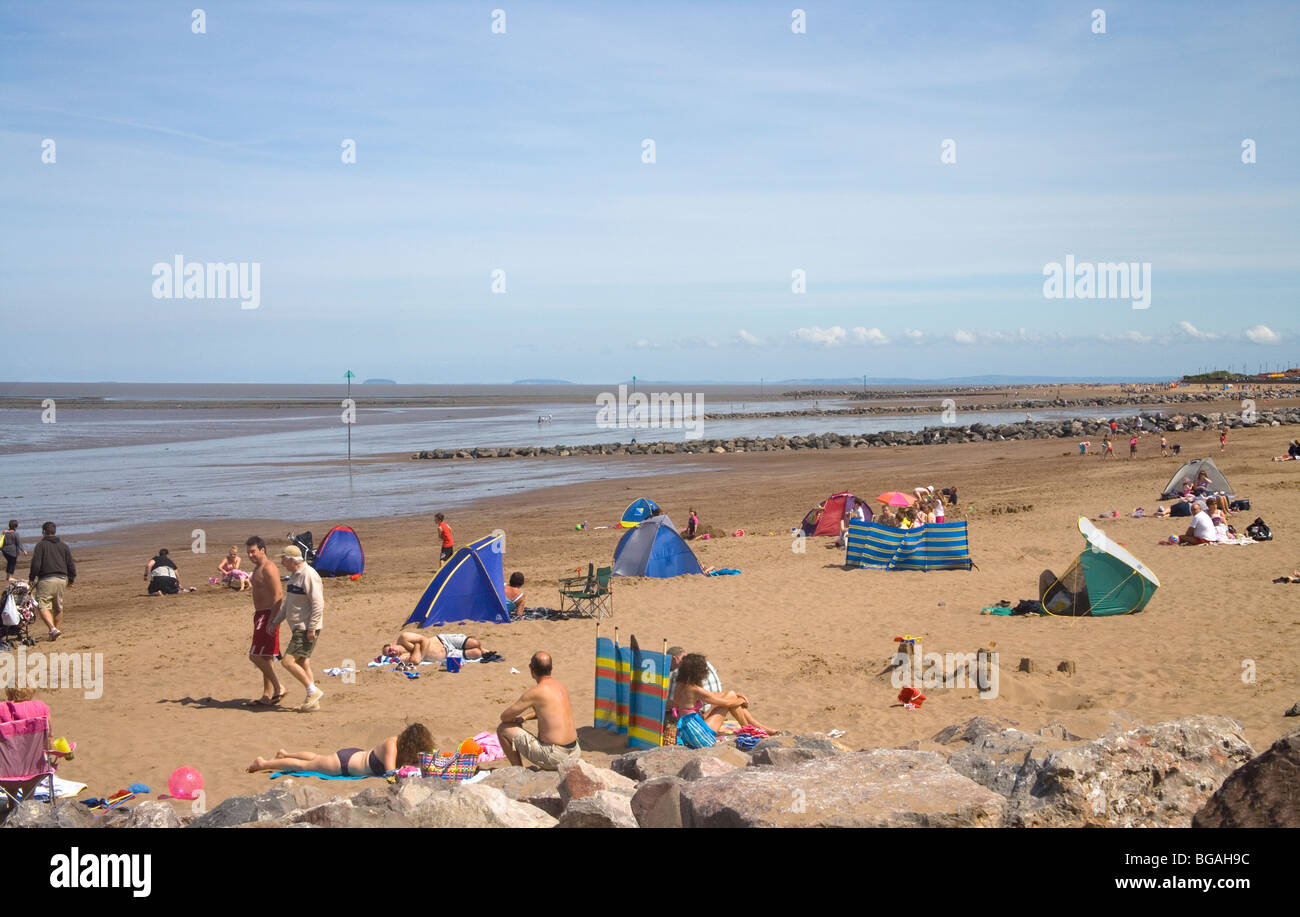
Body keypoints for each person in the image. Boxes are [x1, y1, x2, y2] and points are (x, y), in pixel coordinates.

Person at [247, 723, 434, 777]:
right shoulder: (391, 746)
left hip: (354, 756)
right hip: (344, 764)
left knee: (317, 758)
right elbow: (391, 774)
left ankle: (285, 754)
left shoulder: (402, 747)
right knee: (305, 766)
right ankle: (263, 763)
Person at [497, 652, 580, 770]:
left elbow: (504, 717)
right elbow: (548, 713)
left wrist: (514, 721)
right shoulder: (560, 686)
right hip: (575, 752)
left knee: (503, 729)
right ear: (551, 669)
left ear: (531, 670)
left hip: (555, 757)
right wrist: (524, 718)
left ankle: (517, 770)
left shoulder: (535, 692)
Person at [670, 653, 774, 747]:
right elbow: (727, 703)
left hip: (687, 729)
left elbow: (712, 695)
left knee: (731, 694)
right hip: (698, 735)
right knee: (730, 700)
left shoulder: (680, 685)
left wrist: (735, 695)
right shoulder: (694, 689)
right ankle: (749, 729)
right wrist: (741, 700)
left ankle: (753, 726)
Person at [275, 545, 324, 711]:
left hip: (306, 628)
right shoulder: (294, 576)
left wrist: (311, 628)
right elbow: (289, 603)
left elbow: (318, 603)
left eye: (283, 559)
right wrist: (276, 621)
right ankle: (313, 702)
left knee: (288, 662)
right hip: (298, 627)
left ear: (291, 559)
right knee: (303, 662)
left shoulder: (309, 575)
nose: (281, 562)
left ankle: (313, 691)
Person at [245, 536, 286, 707]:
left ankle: (279, 687)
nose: (250, 555)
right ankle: (266, 695)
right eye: (248, 552)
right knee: (266, 657)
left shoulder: (269, 568)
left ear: (262, 550)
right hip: (260, 615)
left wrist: (272, 621)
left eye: (253, 551)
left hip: (268, 615)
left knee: (254, 655)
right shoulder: (257, 569)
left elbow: (278, 595)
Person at [29, 522, 75, 642]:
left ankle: (53, 629)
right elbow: (70, 563)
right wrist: (71, 578)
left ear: (44, 532)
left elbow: (36, 564)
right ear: (54, 531)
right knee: (58, 606)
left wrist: (31, 578)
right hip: (62, 578)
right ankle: (56, 633)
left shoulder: (41, 545)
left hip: (47, 579)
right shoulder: (64, 545)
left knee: (42, 605)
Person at [382, 632, 488, 664]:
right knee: (476, 654)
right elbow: (415, 661)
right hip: (448, 655)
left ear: (392, 644)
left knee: (475, 643)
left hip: (442, 640)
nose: (392, 652)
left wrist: (418, 651)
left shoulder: (403, 638)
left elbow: (426, 640)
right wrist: (417, 645)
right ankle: (481, 651)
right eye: (390, 654)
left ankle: (483, 649)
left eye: (390, 649)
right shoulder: (403, 657)